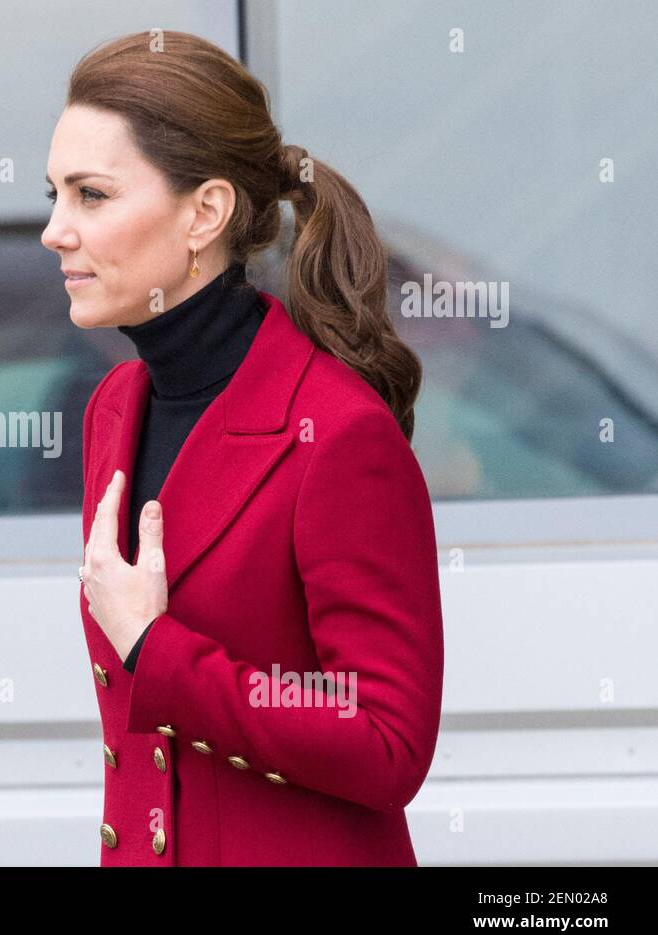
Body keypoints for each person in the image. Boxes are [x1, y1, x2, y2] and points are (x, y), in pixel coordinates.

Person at [42, 31, 444, 866]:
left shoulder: (337, 434)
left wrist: (161, 654)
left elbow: (386, 741)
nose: (54, 230)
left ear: (206, 212)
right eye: (56, 195)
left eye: (91, 195)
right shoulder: (114, 408)